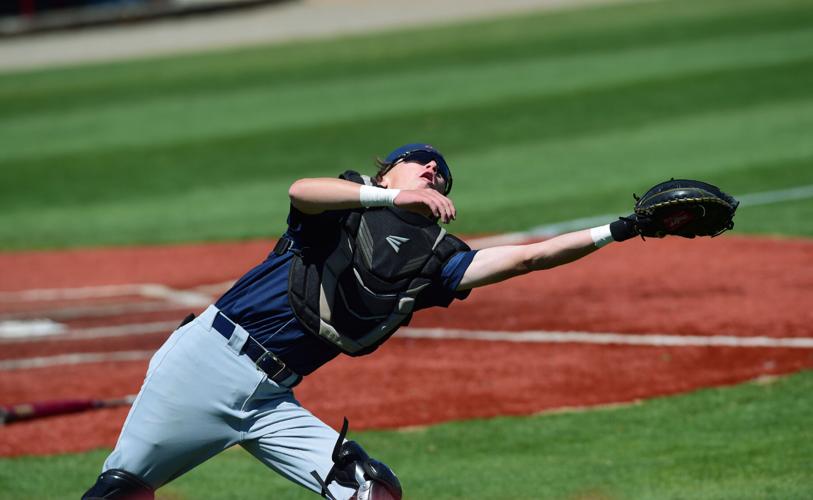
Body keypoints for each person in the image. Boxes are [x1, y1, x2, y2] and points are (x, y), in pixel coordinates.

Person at [82, 143, 642, 500]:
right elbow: (302, 191)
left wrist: (621, 229)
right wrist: (386, 196)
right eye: (420, 161)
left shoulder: (432, 263)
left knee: (374, 491)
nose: (432, 170)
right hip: (206, 366)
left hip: (273, 398)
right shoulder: (342, 212)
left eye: (441, 176)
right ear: (389, 171)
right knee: (122, 493)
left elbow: (528, 257)